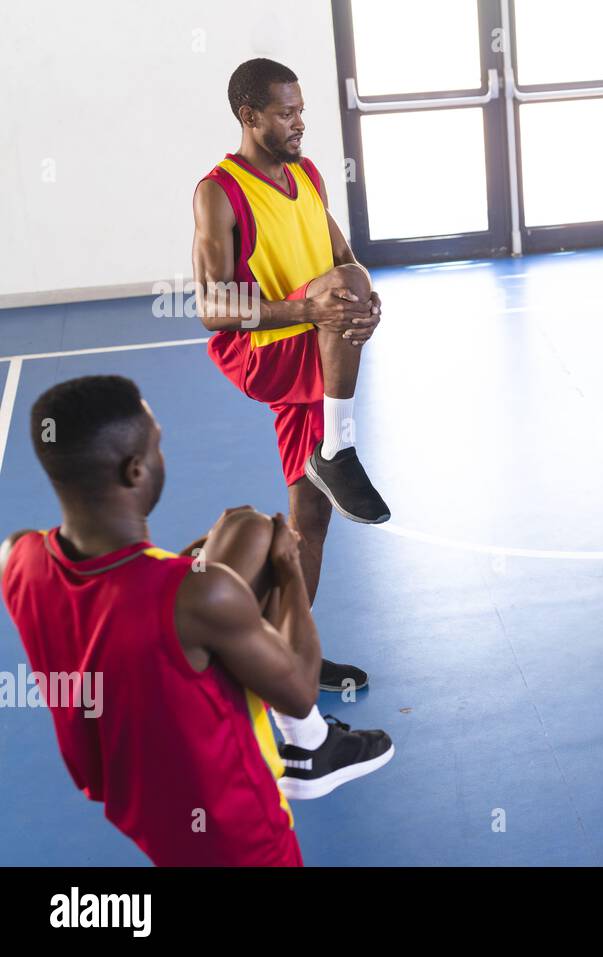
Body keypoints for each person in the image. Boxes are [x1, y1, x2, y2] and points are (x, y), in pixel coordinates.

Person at [1, 376, 394, 864]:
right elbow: (297, 688)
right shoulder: (195, 596)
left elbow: (113, 602)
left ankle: (312, 744)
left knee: (245, 529)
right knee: (259, 543)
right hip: (234, 833)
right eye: (158, 445)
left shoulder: (18, 556)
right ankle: (306, 746)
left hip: (132, 795)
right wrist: (290, 570)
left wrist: (188, 566)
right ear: (135, 471)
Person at [192, 57, 387, 693]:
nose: (300, 123)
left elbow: (342, 256)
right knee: (338, 292)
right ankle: (340, 446)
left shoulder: (306, 174)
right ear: (250, 117)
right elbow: (212, 307)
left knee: (309, 520)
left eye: (302, 109)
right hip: (263, 348)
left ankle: (288, 655)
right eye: (286, 112)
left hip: (311, 346)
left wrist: (366, 298)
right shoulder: (219, 190)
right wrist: (313, 307)